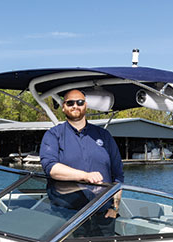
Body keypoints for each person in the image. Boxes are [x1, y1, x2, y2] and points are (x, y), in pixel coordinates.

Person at [39, 89, 124, 233]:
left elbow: (118, 176)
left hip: (103, 216)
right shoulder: (53, 134)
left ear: (86, 105)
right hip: (66, 217)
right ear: (63, 107)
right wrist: (85, 176)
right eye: (70, 102)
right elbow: (51, 168)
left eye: (79, 102)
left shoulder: (104, 135)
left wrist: (115, 208)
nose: (75, 106)